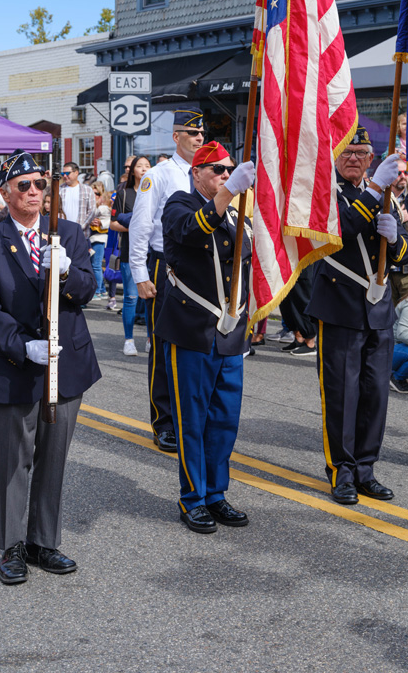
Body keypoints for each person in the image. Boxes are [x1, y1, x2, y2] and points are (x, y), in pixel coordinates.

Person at [0, 151, 101, 585]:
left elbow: (87, 289)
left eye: (40, 185)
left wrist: (64, 272)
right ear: (5, 192)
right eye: (23, 185)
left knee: (53, 457)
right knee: (14, 459)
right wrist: (23, 346)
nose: (33, 192)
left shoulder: (68, 233)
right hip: (17, 363)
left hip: (65, 364)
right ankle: (11, 546)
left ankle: (44, 541)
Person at [155, 141, 255, 533]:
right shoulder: (179, 203)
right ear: (196, 173)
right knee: (192, 421)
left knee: (224, 421)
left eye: (229, 170)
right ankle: (193, 497)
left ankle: (216, 494)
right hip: (192, 330)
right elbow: (191, 231)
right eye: (216, 170)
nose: (225, 176)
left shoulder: (238, 214)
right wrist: (229, 195)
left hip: (230, 334)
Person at [306, 127, 407, 504]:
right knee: (342, 395)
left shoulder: (387, 198)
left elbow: (406, 254)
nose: (352, 158)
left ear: (371, 158)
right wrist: (374, 192)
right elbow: (341, 231)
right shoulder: (324, 194)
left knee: (375, 395)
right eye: (346, 151)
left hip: (379, 309)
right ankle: (341, 471)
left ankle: (366, 468)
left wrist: (395, 239)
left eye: (361, 152)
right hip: (339, 305)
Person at [128, 108, 206, 453]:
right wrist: (140, 274)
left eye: (202, 134)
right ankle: (165, 421)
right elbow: (141, 226)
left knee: (198, 345)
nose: (199, 139)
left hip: (201, 267)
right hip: (166, 265)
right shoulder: (159, 175)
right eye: (192, 134)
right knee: (163, 346)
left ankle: (192, 417)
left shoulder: (208, 174)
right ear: (176, 137)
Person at [110, 155, 152, 356]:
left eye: (147, 166)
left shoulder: (155, 192)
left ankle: (151, 339)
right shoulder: (124, 193)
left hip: (154, 251)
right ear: (132, 170)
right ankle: (129, 339)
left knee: (153, 297)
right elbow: (113, 223)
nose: (144, 169)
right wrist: (137, 227)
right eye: (140, 166)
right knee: (131, 297)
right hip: (130, 251)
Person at [389, 159, 408, 305]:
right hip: (387, 272)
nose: (403, 176)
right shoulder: (384, 199)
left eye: (406, 172)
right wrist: (400, 216)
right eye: (398, 173)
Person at [59, 162, 95, 238]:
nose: (65, 176)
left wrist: (81, 226)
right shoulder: (60, 189)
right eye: (63, 173)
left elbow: (92, 210)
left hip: (81, 233)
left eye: (67, 173)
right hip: (63, 232)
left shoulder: (87, 190)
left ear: (76, 173)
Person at [89, 184, 111, 301]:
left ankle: (98, 291)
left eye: (96, 193)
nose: (94, 196)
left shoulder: (103, 208)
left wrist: (101, 223)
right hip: (94, 238)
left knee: (96, 266)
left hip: (99, 238)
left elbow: (110, 221)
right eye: (92, 193)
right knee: (95, 265)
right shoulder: (97, 206)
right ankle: (102, 289)